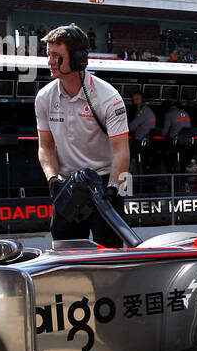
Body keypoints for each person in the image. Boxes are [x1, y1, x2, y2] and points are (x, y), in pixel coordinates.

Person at [35, 23, 130, 247]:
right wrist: (53, 180)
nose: (50, 61)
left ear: (78, 59)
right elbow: (45, 147)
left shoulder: (108, 97)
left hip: (105, 184)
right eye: (48, 55)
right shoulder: (44, 98)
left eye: (56, 56)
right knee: (65, 257)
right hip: (67, 184)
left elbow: (121, 150)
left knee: (110, 258)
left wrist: (114, 188)